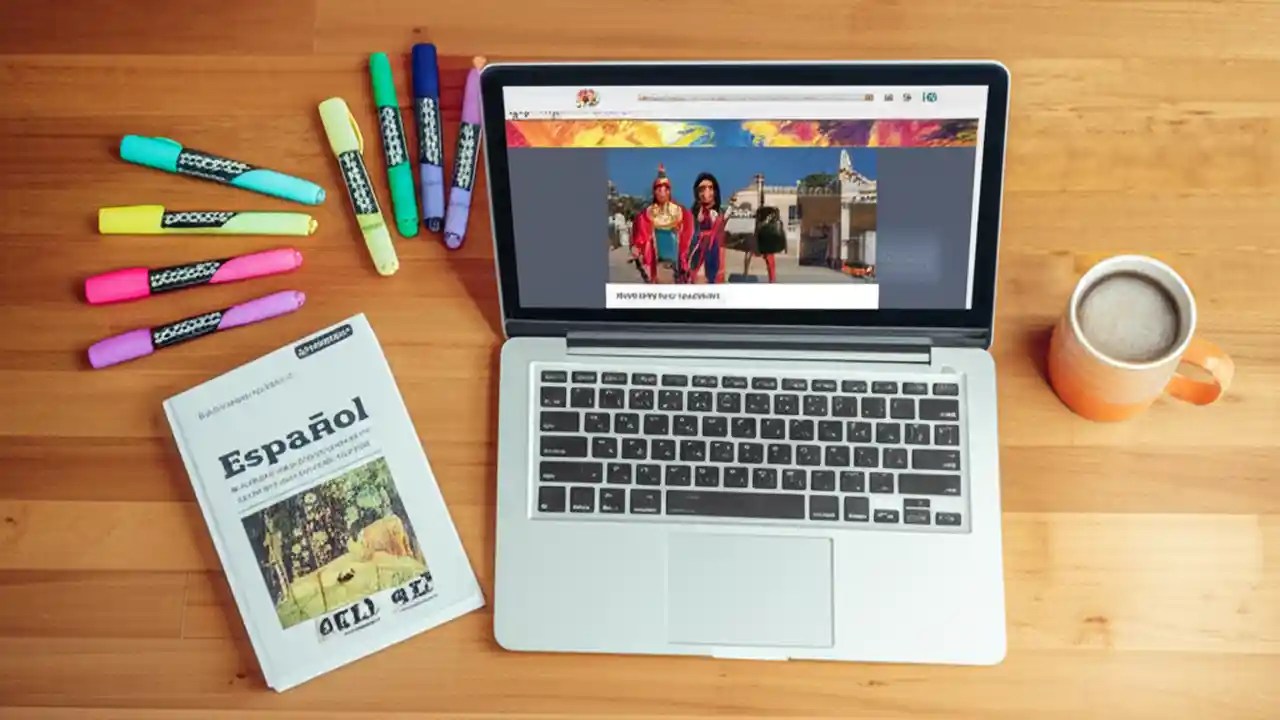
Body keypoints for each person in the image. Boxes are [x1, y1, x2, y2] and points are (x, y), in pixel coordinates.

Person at [631, 164, 692, 283]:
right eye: (659, 189)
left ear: (669, 191)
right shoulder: (646, 213)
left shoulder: (681, 212)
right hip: (656, 262)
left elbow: (688, 233)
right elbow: (640, 233)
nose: (662, 193)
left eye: (666, 189)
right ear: (654, 192)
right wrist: (637, 246)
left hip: (675, 263)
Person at [686, 172, 727, 283]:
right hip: (698, 252)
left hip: (716, 253)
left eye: (710, 188)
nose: (706, 193)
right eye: (702, 189)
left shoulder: (721, 212)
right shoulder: (693, 213)